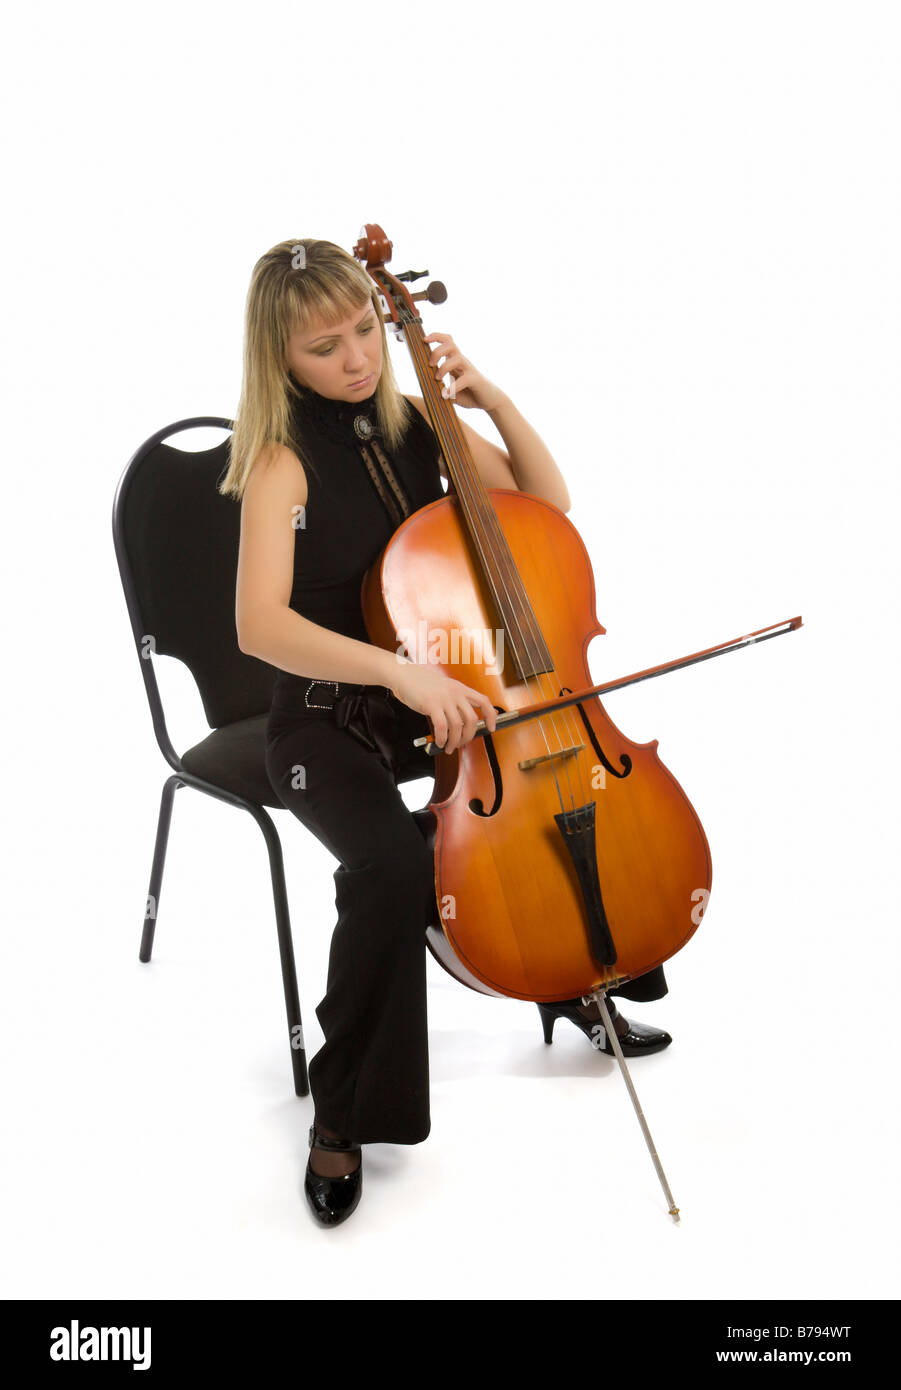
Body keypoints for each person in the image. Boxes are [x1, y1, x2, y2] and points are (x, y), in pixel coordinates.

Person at [220, 237, 672, 1227]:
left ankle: (576, 979)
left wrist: (490, 400)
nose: (356, 359)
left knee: (561, 790)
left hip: (459, 703)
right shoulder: (279, 466)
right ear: (278, 360)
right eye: (323, 348)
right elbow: (260, 626)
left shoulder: (418, 420)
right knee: (387, 867)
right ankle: (340, 1120)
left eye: (365, 332)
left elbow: (541, 507)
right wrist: (394, 670)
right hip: (327, 717)